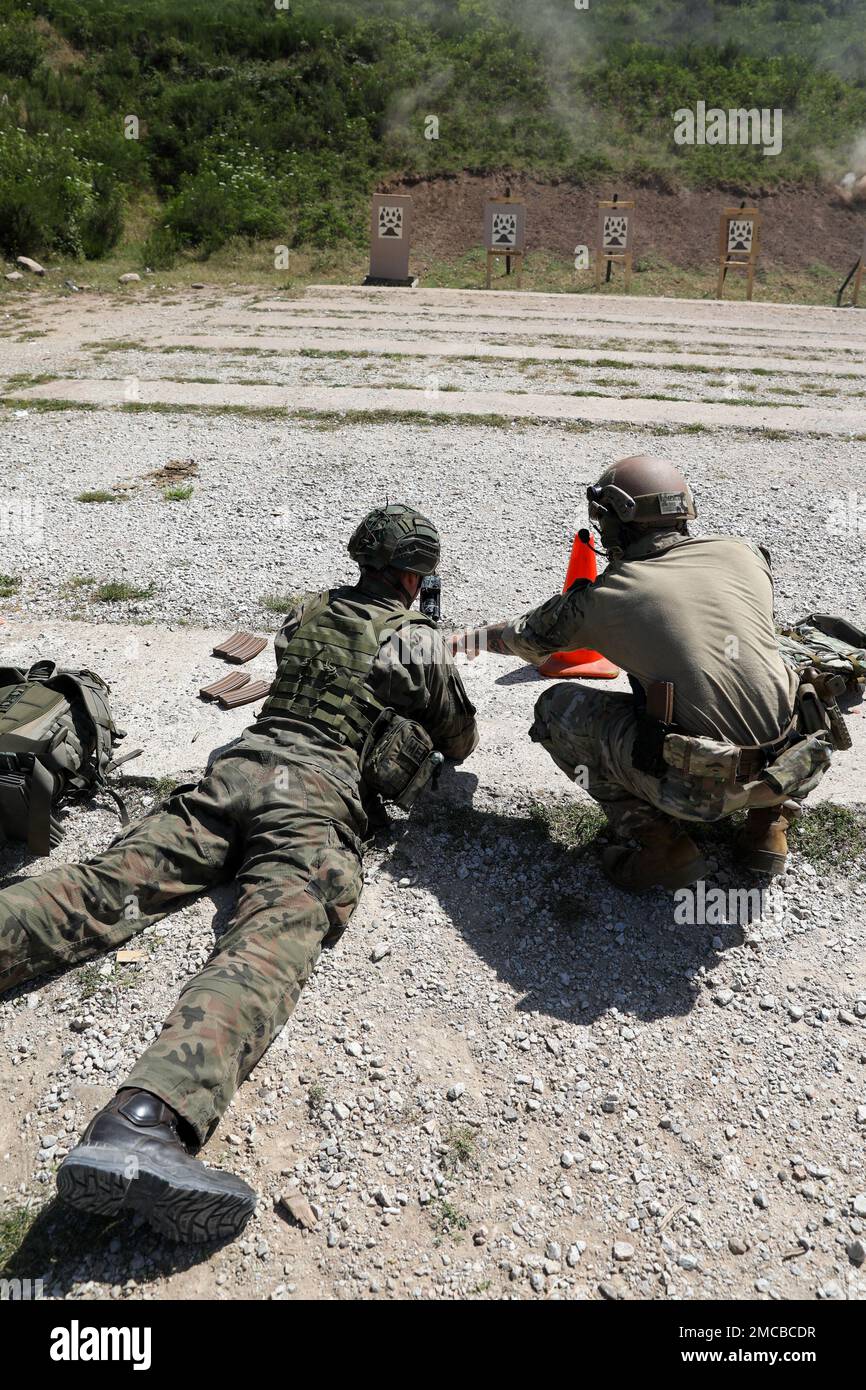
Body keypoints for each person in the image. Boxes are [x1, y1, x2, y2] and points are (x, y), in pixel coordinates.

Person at [0, 504, 477, 1243]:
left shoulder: (309, 611)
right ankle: (142, 1121)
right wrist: (432, 651)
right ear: (416, 575)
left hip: (235, 772)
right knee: (267, 940)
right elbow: (463, 739)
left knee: (106, 884)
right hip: (314, 798)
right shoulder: (413, 639)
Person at [451, 455, 832, 893]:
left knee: (557, 709)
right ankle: (767, 827)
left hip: (702, 787)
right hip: (797, 763)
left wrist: (464, 640)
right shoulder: (743, 553)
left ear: (618, 523)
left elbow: (525, 638)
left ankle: (662, 848)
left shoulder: (608, 596)